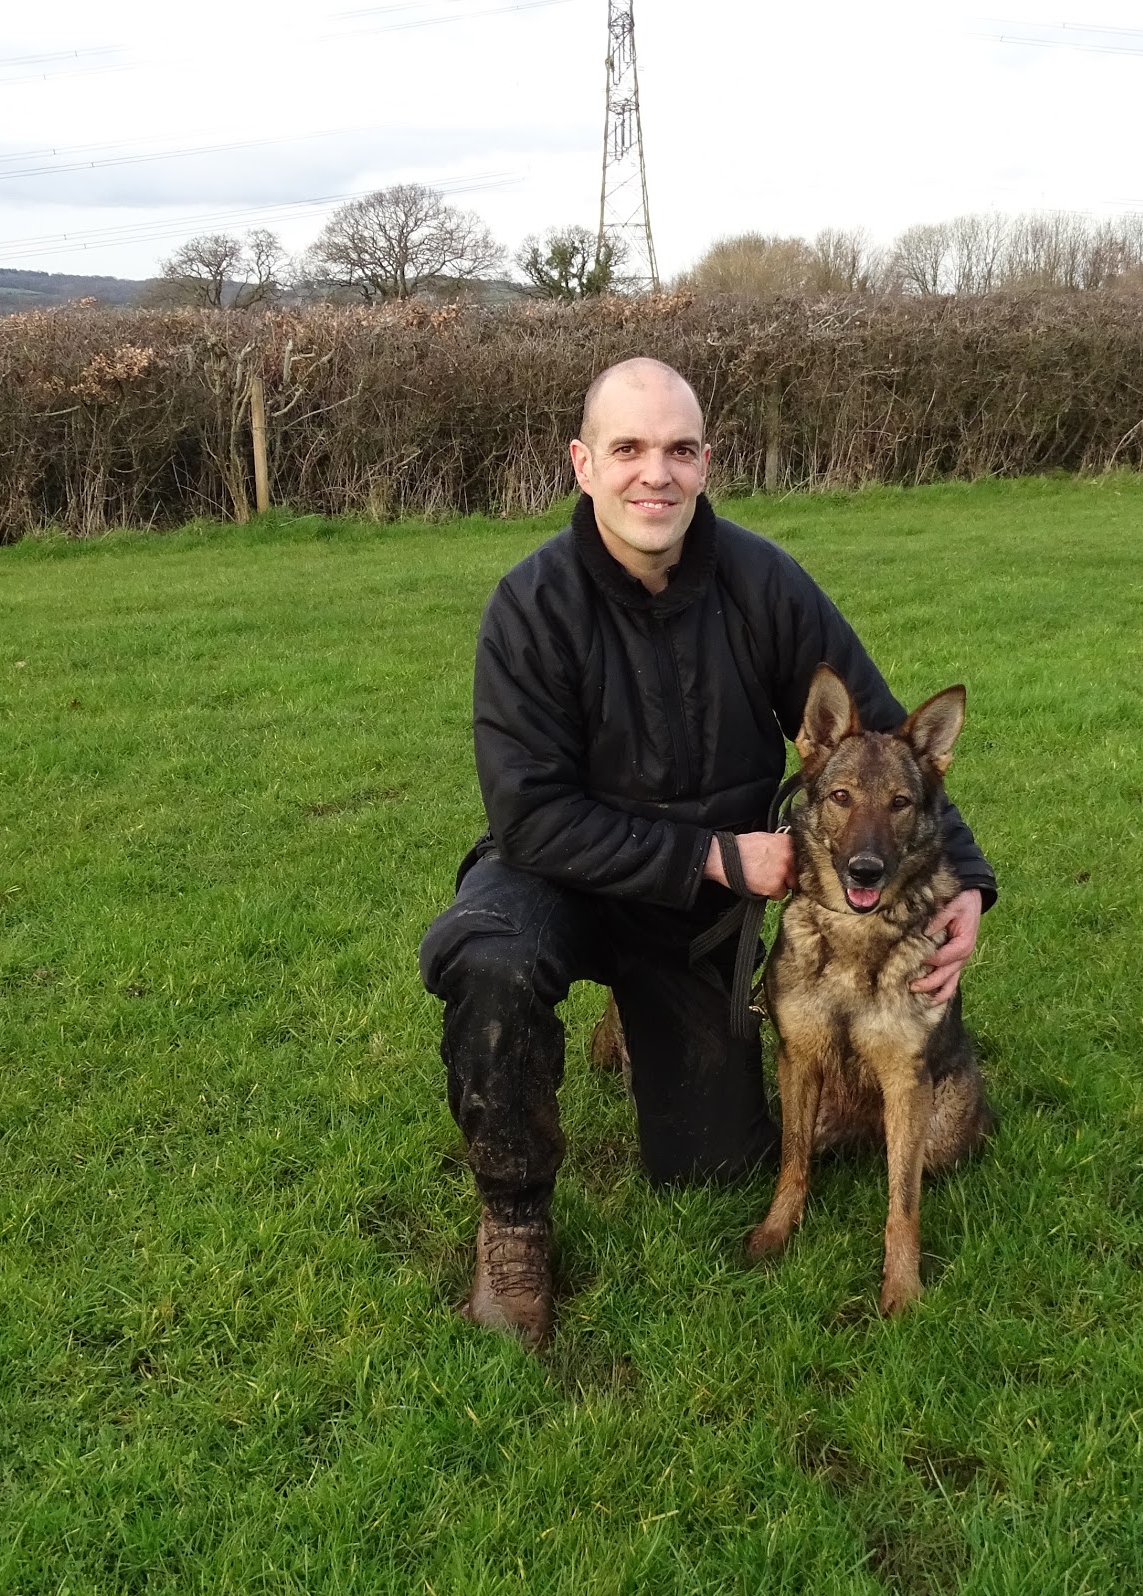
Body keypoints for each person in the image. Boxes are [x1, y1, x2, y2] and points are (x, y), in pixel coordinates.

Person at [419, 358, 996, 1348]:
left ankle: (641, 1021)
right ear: (582, 464)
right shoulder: (532, 607)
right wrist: (718, 858)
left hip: (686, 922)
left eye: (679, 450)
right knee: (490, 956)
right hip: (556, 877)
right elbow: (530, 815)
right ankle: (512, 1222)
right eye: (629, 449)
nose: (656, 475)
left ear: (705, 463)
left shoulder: (763, 582)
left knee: (712, 1165)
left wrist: (972, 883)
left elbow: (890, 741)